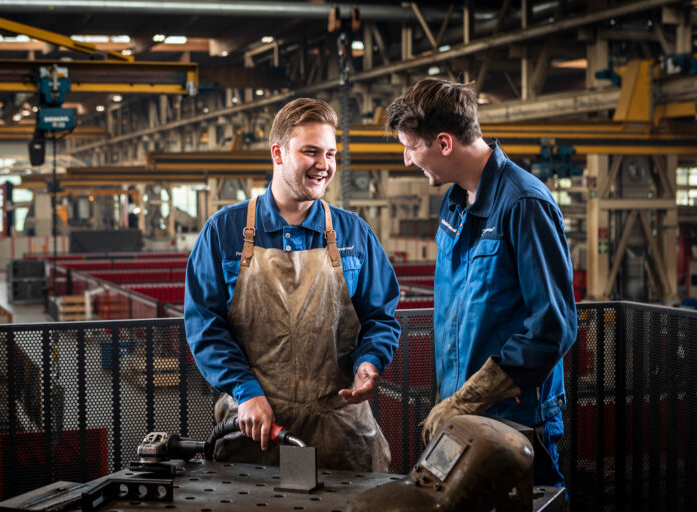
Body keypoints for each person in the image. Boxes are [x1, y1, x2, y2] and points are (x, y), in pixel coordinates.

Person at [184, 98, 400, 473]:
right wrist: (245, 391)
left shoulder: (354, 234)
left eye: (330, 154)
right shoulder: (224, 232)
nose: (324, 165)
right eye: (311, 152)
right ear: (278, 153)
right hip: (259, 426)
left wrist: (370, 360)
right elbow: (204, 324)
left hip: (341, 427)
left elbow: (381, 317)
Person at [386, 78, 577, 487]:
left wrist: (462, 401)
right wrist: (451, 402)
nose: (406, 159)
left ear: (444, 143)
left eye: (411, 146)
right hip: (459, 416)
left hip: (515, 423)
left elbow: (552, 329)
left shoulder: (524, 204)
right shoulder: (454, 204)